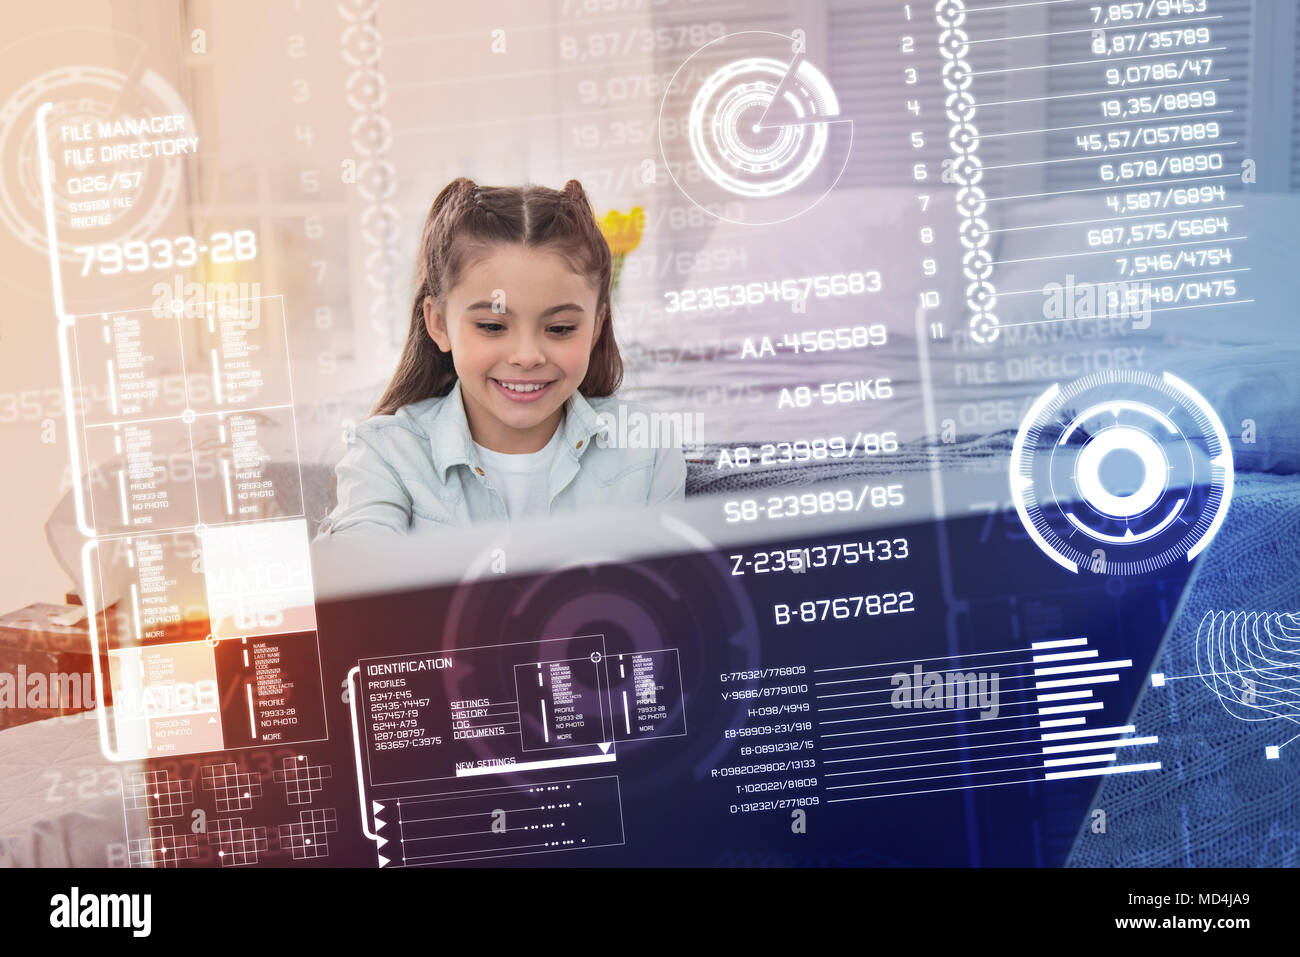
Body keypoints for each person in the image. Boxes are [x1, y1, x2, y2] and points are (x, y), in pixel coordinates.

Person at [315, 177, 686, 538]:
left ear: (596, 327)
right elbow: (358, 581)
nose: (527, 356)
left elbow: (670, 592)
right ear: (439, 323)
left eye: (559, 329)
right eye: (492, 327)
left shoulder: (646, 447)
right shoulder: (385, 454)